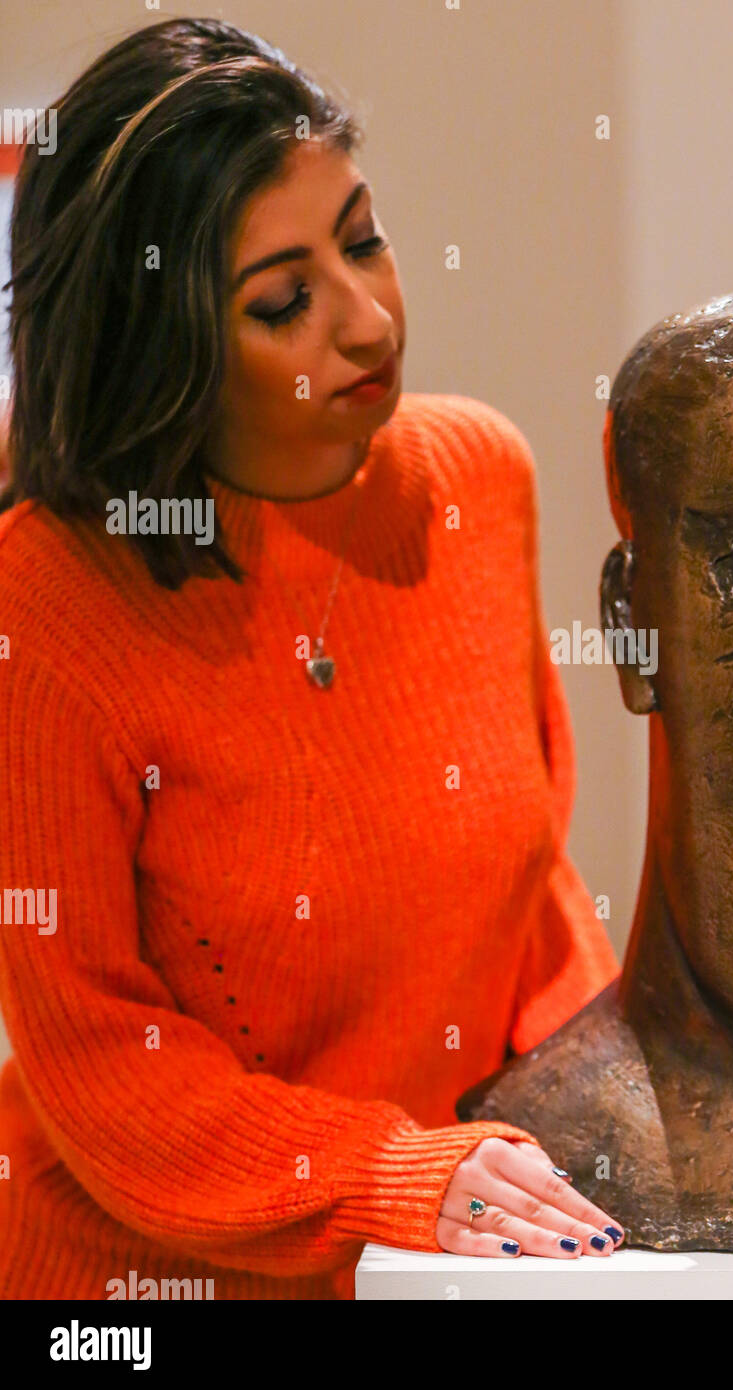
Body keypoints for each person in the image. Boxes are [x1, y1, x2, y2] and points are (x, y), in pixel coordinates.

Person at [0, 17, 622, 1299]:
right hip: (120, 1287)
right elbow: (103, 1066)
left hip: (424, 1268)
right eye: (281, 300)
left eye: (364, 239)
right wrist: (392, 1174)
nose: (366, 317)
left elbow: (531, 888)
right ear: (159, 341)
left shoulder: (478, 478)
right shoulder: (47, 598)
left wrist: (611, 1115)